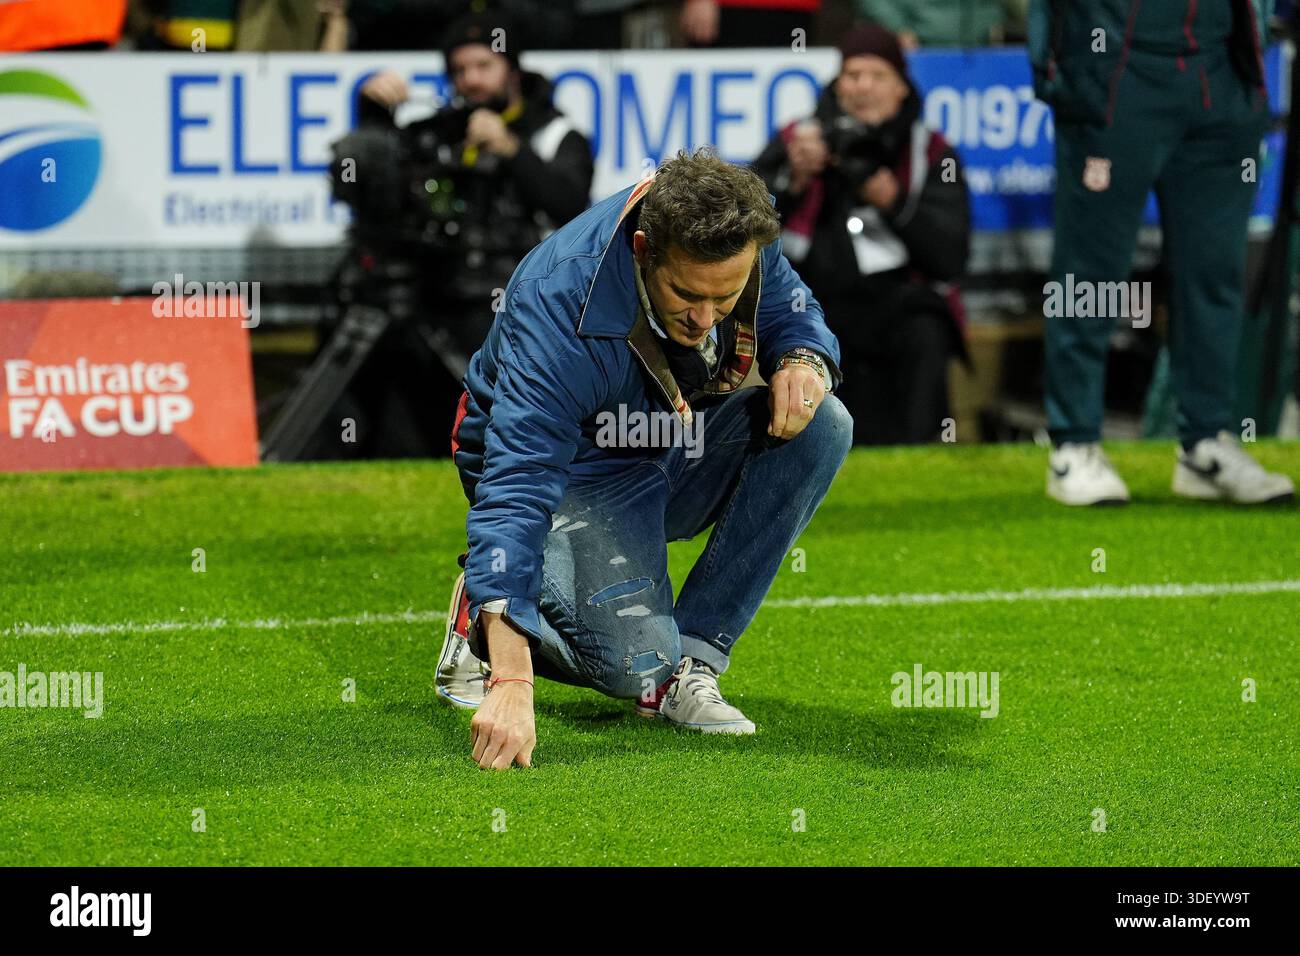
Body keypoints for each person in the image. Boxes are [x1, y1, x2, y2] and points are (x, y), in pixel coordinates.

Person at [436, 148, 852, 769]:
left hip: (664, 436)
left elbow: (796, 314)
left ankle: (693, 660)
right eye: (687, 295)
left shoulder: (742, 236)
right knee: (633, 666)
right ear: (642, 250)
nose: (706, 318)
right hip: (574, 470)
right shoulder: (557, 305)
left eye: (726, 297)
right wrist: (513, 683)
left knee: (825, 424)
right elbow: (518, 484)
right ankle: (484, 609)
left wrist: (803, 361)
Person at [1030, 0, 1294, 505]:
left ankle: (1205, 442)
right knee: (1091, 275)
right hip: (1115, 71)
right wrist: (1058, 70)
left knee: (1215, 270)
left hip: (1221, 72)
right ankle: (1074, 443)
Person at [317, 10, 593, 458]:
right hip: (430, 300)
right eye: (460, 71)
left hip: (517, 305)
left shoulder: (556, 133)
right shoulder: (435, 134)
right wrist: (373, 120)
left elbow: (569, 204)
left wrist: (510, 150)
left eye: (484, 66)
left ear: (512, 70)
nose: (471, 80)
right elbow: (360, 187)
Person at [752, 22, 970, 445]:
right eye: (853, 75)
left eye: (878, 76)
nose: (864, 87)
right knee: (803, 330)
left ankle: (921, 454)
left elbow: (951, 257)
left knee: (927, 328)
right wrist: (792, 182)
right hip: (812, 297)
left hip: (900, 300)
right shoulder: (799, 139)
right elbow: (743, 226)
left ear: (902, 88)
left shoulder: (930, 151)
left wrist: (892, 198)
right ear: (837, 84)